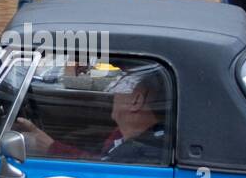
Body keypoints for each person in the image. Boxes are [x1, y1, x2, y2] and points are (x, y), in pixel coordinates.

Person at [14, 65, 169, 165]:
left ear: (136, 101)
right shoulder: (124, 137)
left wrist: (50, 147)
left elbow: (98, 169)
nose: (114, 91)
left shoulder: (143, 151)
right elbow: (96, 159)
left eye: (121, 83)